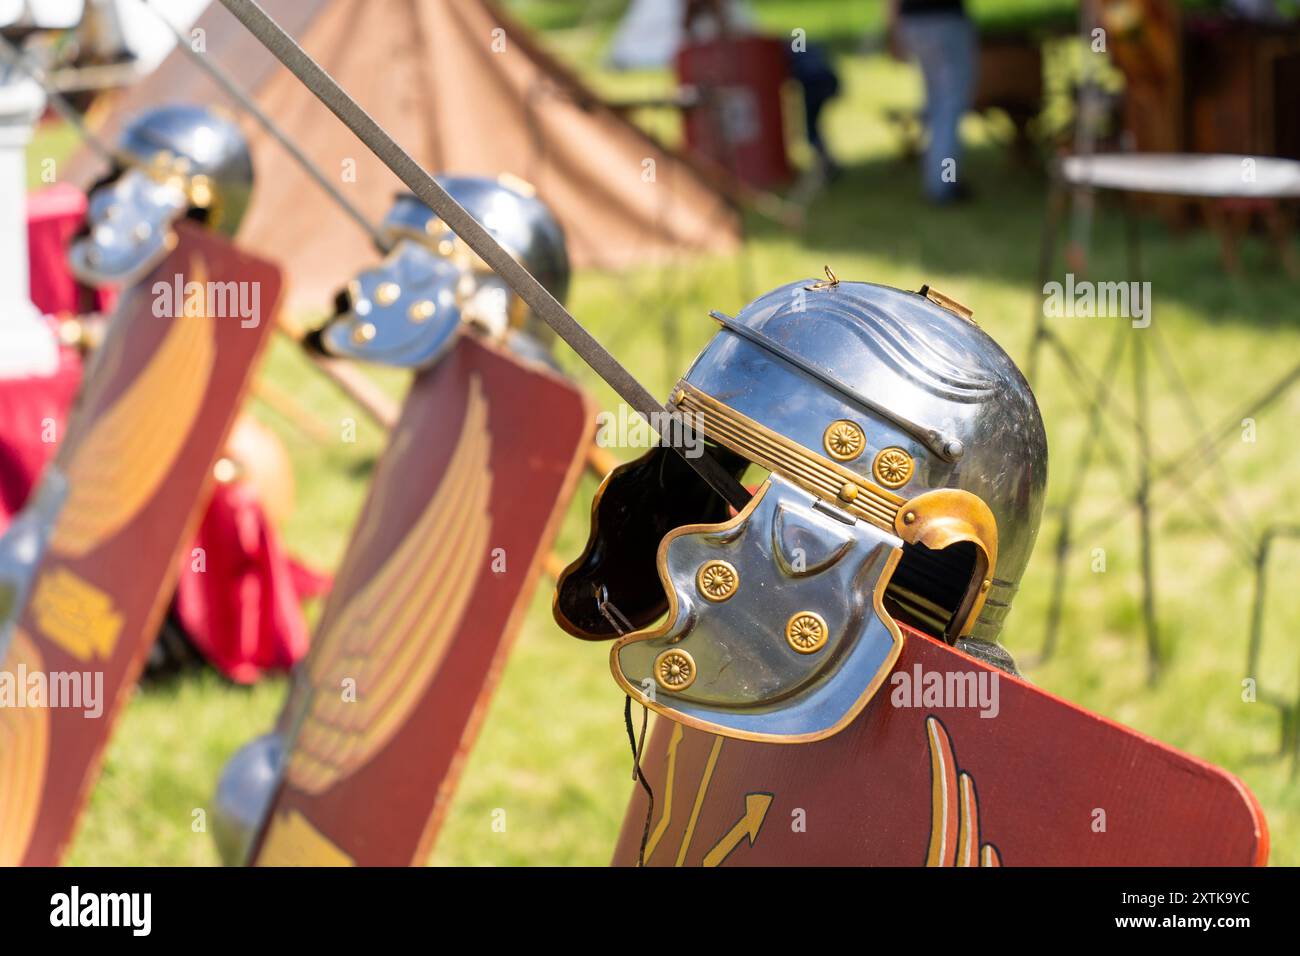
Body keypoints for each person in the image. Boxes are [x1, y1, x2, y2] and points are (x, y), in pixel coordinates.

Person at [888, 0, 978, 203]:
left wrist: (894, 29)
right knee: (948, 108)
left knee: (937, 105)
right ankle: (943, 183)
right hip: (945, 20)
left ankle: (938, 179)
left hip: (913, 23)